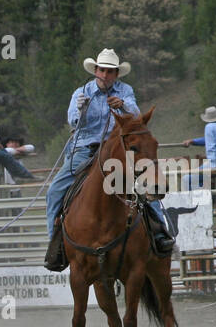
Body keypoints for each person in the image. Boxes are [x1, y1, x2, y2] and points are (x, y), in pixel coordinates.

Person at [43, 48, 173, 271]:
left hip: (116, 149)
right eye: (102, 70)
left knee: (145, 181)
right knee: (54, 190)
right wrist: (80, 109)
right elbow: (74, 122)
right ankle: (56, 242)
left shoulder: (125, 91)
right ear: (96, 71)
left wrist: (122, 105)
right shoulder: (82, 92)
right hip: (85, 148)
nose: (105, 75)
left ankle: (159, 231)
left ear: (116, 74)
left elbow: (136, 115)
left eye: (110, 72)